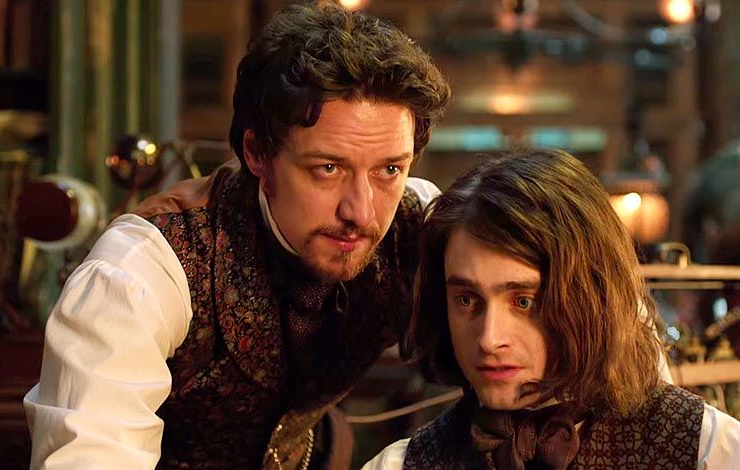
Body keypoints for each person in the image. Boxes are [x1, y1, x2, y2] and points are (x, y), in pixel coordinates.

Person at [23, 3, 450, 468]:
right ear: (257, 153)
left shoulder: (418, 223)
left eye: (390, 169)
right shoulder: (139, 271)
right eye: (328, 168)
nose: (361, 211)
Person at [364, 149, 740, 469]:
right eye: (467, 300)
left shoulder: (708, 450)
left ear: (589, 299)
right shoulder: (403, 464)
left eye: (523, 301)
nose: (489, 339)